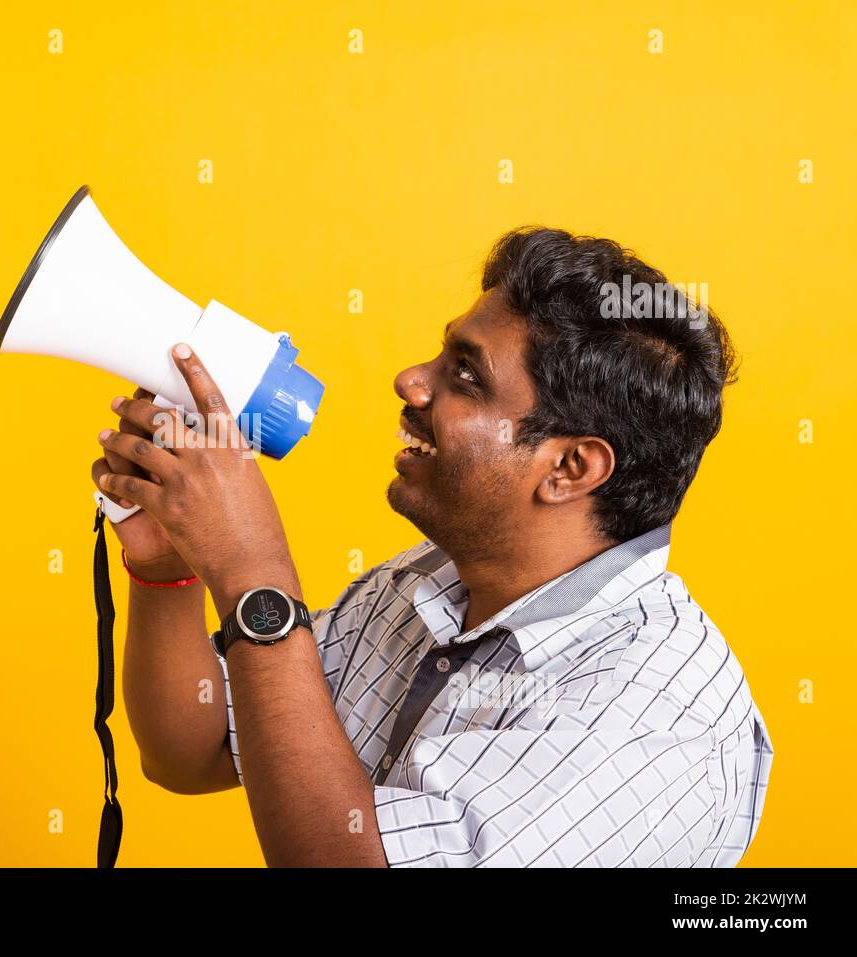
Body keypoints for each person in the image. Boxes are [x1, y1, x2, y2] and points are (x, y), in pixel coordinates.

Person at [91, 227, 772, 867]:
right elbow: (194, 748)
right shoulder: (426, 587)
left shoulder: (651, 718)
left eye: (466, 374)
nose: (411, 380)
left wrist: (252, 572)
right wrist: (167, 569)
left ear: (571, 469)